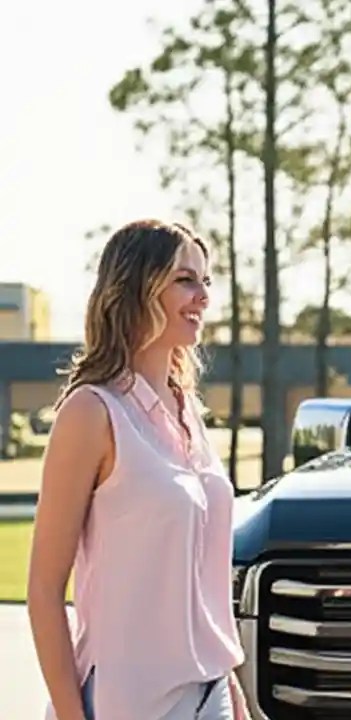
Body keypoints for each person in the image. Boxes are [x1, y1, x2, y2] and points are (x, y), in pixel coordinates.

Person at [27, 220, 248, 720]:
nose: (203, 297)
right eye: (185, 280)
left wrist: (233, 694)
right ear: (137, 286)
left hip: (211, 695)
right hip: (127, 703)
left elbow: (199, 588)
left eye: (206, 282)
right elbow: (43, 589)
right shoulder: (91, 412)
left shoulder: (186, 408)